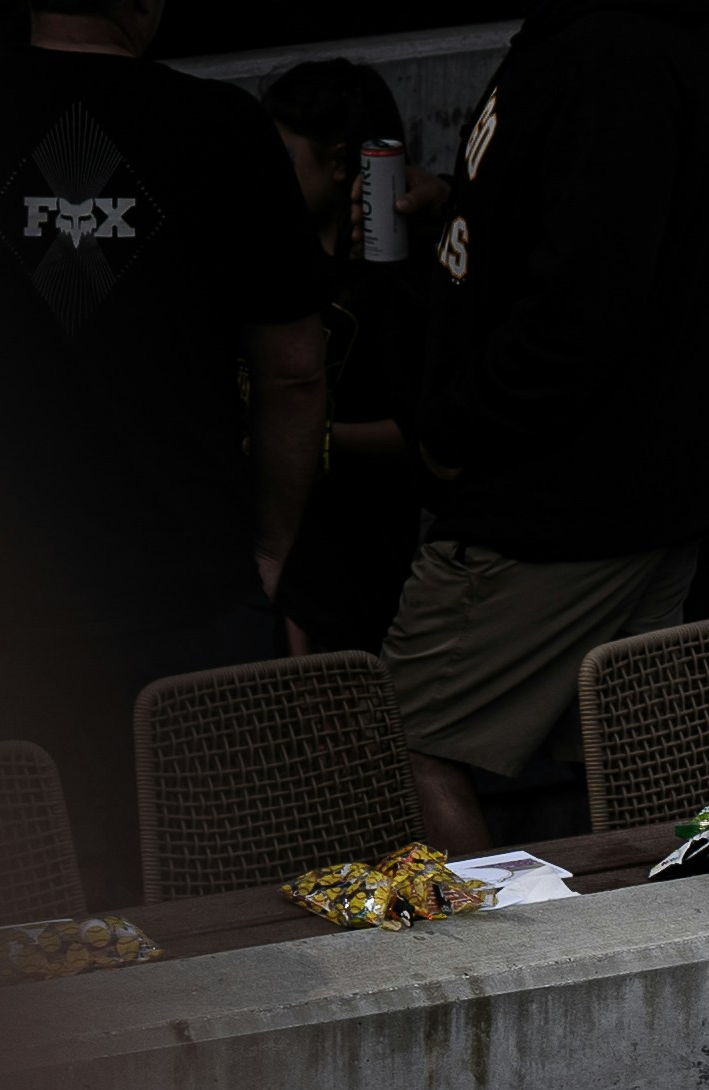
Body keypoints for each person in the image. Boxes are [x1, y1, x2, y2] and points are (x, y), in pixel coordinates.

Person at [0, 0, 325, 902]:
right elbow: (296, 372)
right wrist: (266, 549)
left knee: (2, 907)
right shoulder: (222, 126)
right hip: (184, 584)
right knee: (205, 898)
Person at [389, 0, 709, 853]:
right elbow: (596, 227)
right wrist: (475, 202)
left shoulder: (613, 49)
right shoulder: (617, 36)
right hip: (625, 485)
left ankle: (501, 979)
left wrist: (452, 428)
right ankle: (639, 968)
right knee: (631, 768)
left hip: (561, 498)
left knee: (398, 745)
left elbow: (583, 310)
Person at [262, 57, 432, 656]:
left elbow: (421, 430)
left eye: (282, 160)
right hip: (292, 536)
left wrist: (310, 434)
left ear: (339, 164)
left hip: (362, 551)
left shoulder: (396, 280)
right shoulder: (286, 258)